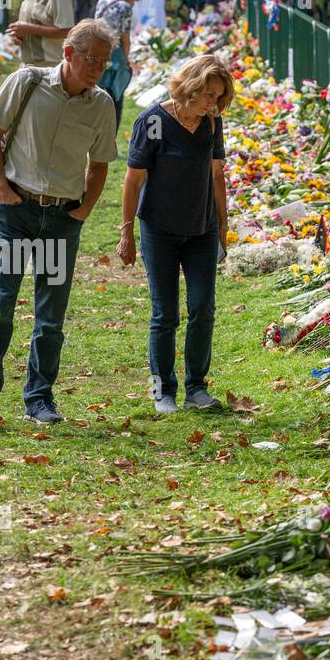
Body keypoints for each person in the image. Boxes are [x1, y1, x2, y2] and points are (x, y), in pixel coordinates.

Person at [0, 18, 119, 427]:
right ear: (68, 53)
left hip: (61, 218)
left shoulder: (102, 104)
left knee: (50, 317)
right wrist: (1, 187)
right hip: (15, 210)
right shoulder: (27, 81)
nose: (98, 68)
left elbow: (100, 164)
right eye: (92, 59)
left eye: (104, 63)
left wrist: (81, 212)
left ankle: (39, 398)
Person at [119, 54, 233, 414]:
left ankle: (196, 387)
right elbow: (133, 179)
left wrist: (222, 228)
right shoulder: (152, 122)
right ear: (191, 87)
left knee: (203, 307)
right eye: (209, 95)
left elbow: (217, 175)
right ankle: (162, 389)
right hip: (160, 229)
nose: (213, 104)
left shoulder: (212, 123)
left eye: (218, 97)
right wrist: (126, 233)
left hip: (201, 229)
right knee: (164, 313)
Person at [94, 0, 150, 130]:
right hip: (115, 54)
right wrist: (126, 60)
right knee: (115, 96)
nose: (138, 0)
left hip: (98, 50)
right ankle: (110, 135)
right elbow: (125, 37)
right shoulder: (125, 7)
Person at [7, 0, 71, 66]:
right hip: (29, 67)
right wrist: (19, 35)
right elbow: (33, 25)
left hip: (47, 69)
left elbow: (66, 31)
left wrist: (29, 29)